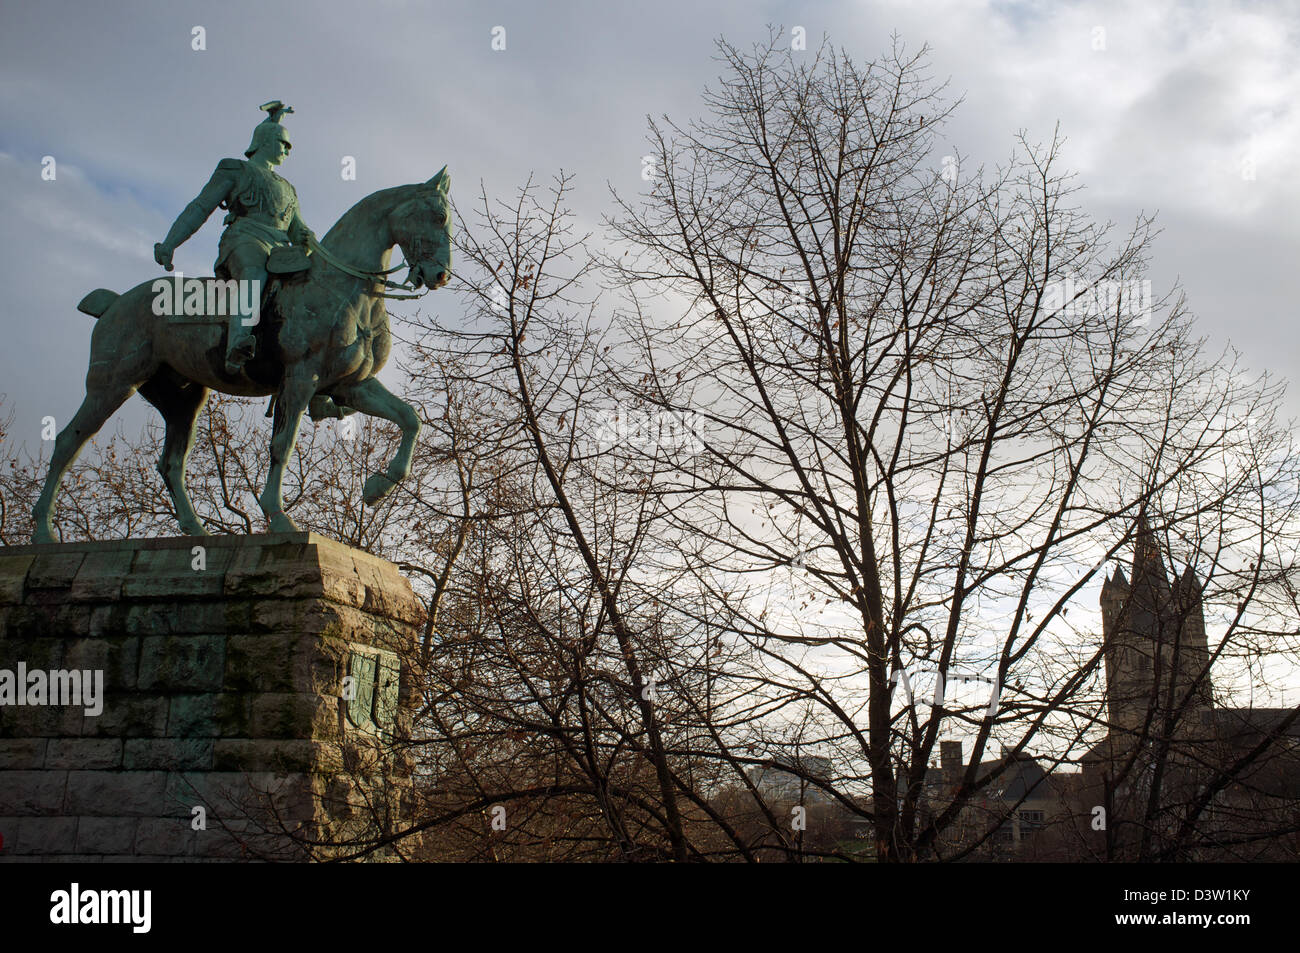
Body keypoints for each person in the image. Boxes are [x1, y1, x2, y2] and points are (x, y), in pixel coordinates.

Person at [154, 101, 315, 373]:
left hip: (280, 250)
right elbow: (199, 208)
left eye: (289, 146)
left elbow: (297, 229)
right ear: (263, 140)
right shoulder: (235, 169)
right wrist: (170, 243)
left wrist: (309, 240)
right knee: (254, 272)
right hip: (244, 239)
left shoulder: (288, 188)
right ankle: (236, 344)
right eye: (282, 142)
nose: (287, 150)